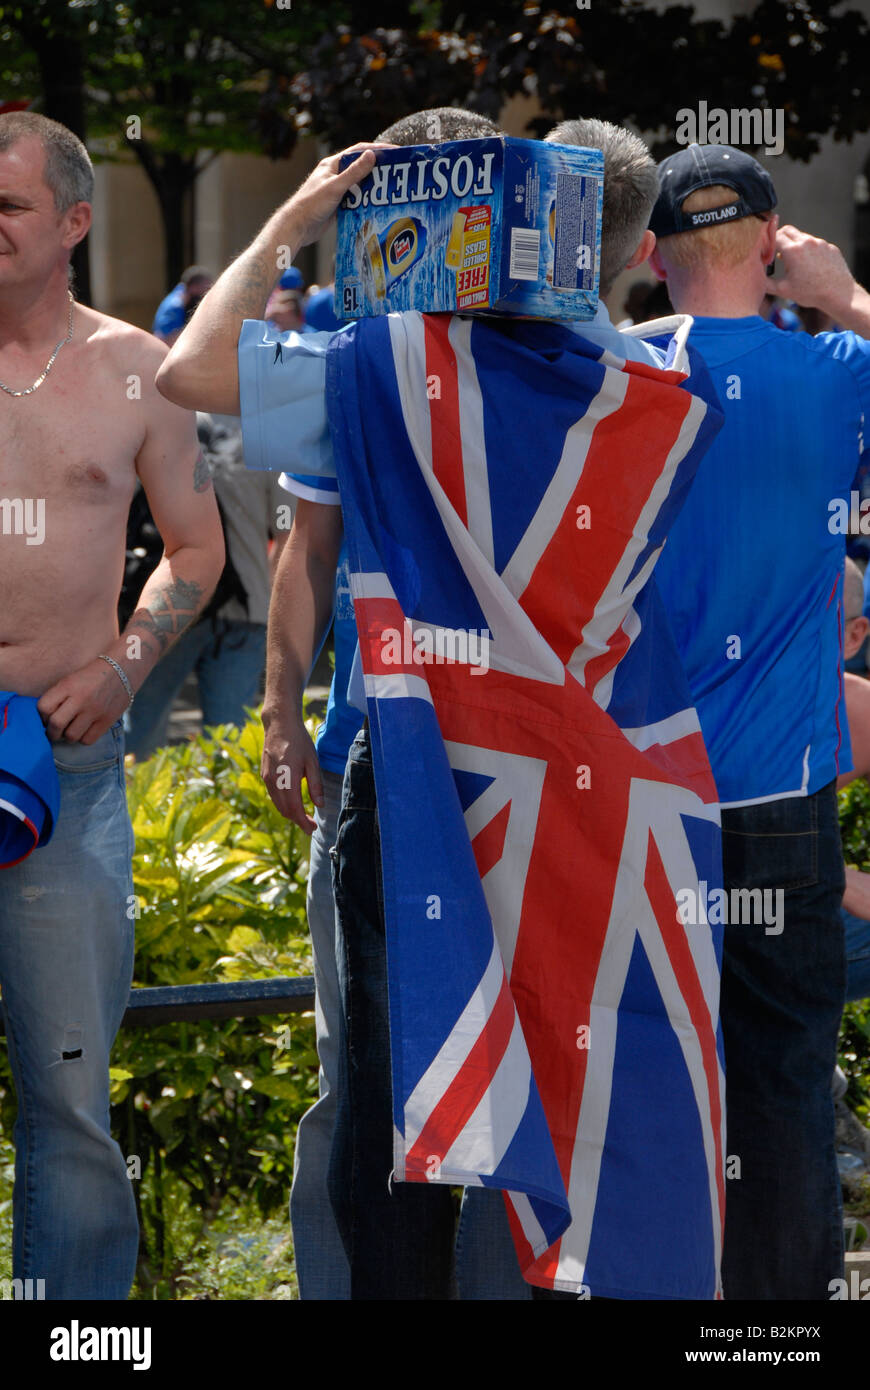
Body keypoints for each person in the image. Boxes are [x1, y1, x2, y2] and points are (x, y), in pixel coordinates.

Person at [157, 116, 725, 1301]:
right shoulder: (668, 383)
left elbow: (190, 372)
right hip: (589, 781)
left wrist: (301, 216)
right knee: (572, 1072)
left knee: (401, 1088)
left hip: (422, 774)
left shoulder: (385, 378)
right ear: (620, 249)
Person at [0, 111, 224, 1299]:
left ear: (75, 222)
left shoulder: (144, 370)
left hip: (65, 765)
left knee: (71, 1096)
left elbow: (197, 548)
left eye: (8, 205)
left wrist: (125, 670)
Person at [648, 141, 870, 1300]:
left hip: (636, 791)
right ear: (777, 242)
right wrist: (845, 295)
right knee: (783, 1085)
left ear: (652, 255)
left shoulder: (613, 373)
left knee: (648, 1081)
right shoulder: (836, 368)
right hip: (780, 798)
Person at [125, 412, 289, 760]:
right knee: (224, 747)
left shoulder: (164, 421)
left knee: (141, 740)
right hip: (214, 612)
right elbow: (286, 534)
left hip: (195, 609)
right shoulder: (265, 434)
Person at [152, 264, 213, 345]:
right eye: (206, 288)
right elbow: (166, 338)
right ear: (194, 287)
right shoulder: (176, 304)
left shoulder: (181, 296)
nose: (207, 293)